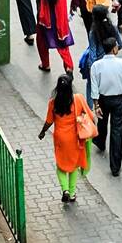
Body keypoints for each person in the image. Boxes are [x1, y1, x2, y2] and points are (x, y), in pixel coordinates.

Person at [38, 73, 94, 203]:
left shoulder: (53, 103)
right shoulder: (77, 99)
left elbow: (48, 121)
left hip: (60, 139)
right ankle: (72, 193)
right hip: (74, 138)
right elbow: (89, 116)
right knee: (73, 166)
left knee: (61, 165)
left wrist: (42, 132)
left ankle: (65, 190)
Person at [90, 37, 122, 177]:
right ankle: (115, 166)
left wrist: (96, 104)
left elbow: (94, 87)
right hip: (118, 100)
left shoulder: (96, 65)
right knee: (117, 131)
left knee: (102, 122)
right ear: (114, 49)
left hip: (103, 99)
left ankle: (100, 141)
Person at [33, 0, 74, 74]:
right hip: (60, 20)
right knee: (63, 46)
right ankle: (69, 67)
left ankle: (45, 65)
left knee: (42, 42)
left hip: (44, 20)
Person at [83, 5, 121, 108]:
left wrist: (91, 68)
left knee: (90, 85)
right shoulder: (112, 27)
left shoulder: (93, 32)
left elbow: (92, 52)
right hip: (111, 61)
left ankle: (89, 110)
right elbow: (120, 44)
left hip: (98, 62)